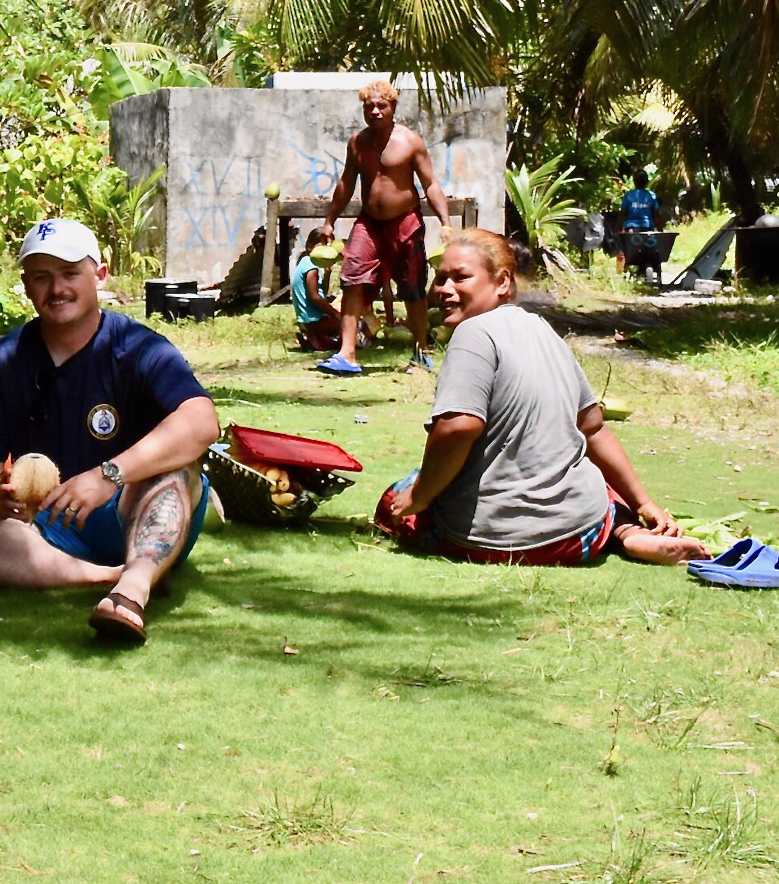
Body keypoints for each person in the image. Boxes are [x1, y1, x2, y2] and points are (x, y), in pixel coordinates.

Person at [0, 219, 219, 644]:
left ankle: (134, 588)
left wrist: (107, 475)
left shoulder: (139, 347)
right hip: (47, 528)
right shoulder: (3, 363)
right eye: (42, 277)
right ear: (25, 285)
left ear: (99, 275)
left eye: (69, 273)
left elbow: (202, 421)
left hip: (136, 513)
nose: (56, 288)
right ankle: (107, 578)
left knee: (178, 474)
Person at [374, 230, 709, 566]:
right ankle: (627, 532)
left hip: (491, 542)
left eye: (460, 278)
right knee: (590, 482)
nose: (444, 289)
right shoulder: (544, 330)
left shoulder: (472, 333)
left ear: (502, 281)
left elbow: (458, 427)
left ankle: (623, 533)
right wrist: (643, 504)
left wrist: (419, 497)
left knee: (397, 497)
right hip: (581, 536)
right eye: (441, 278)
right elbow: (593, 429)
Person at [316, 80, 453, 376]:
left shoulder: (410, 141)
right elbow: (346, 183)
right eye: (369, 107)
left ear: (393, 108)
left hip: (405, 222)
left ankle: (421, 351)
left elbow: (430, 183)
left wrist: (445, 222)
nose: (375, 111)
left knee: (412, 287)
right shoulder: (357, 142)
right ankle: (347, 354)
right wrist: (329, 220)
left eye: (382, 106)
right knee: (352, 280)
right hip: (369, 223)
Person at [290, 228, 344, 352]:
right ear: (310, 247)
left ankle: (315, 339)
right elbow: (314, 297)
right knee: (350, 326)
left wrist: (327, 275)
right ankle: (316, 339)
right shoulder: (310, 265)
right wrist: (335, 314)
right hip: (313, 319)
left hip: (309, 319)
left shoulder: (306, 262)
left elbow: (321, 292)